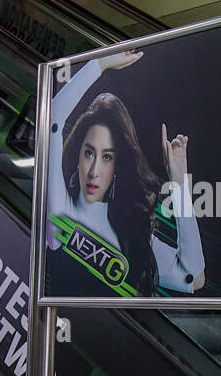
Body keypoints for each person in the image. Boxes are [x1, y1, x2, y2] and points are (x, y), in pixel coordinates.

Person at [49, 50, 205, 295]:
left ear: (118, 166)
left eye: (107, 157)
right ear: (78, 156)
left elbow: (193, 277)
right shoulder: (61, 208)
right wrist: (98, 64)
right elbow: (51, 120)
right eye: (89, 153)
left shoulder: (133, 235)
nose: (94, 170)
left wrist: (179, 185)